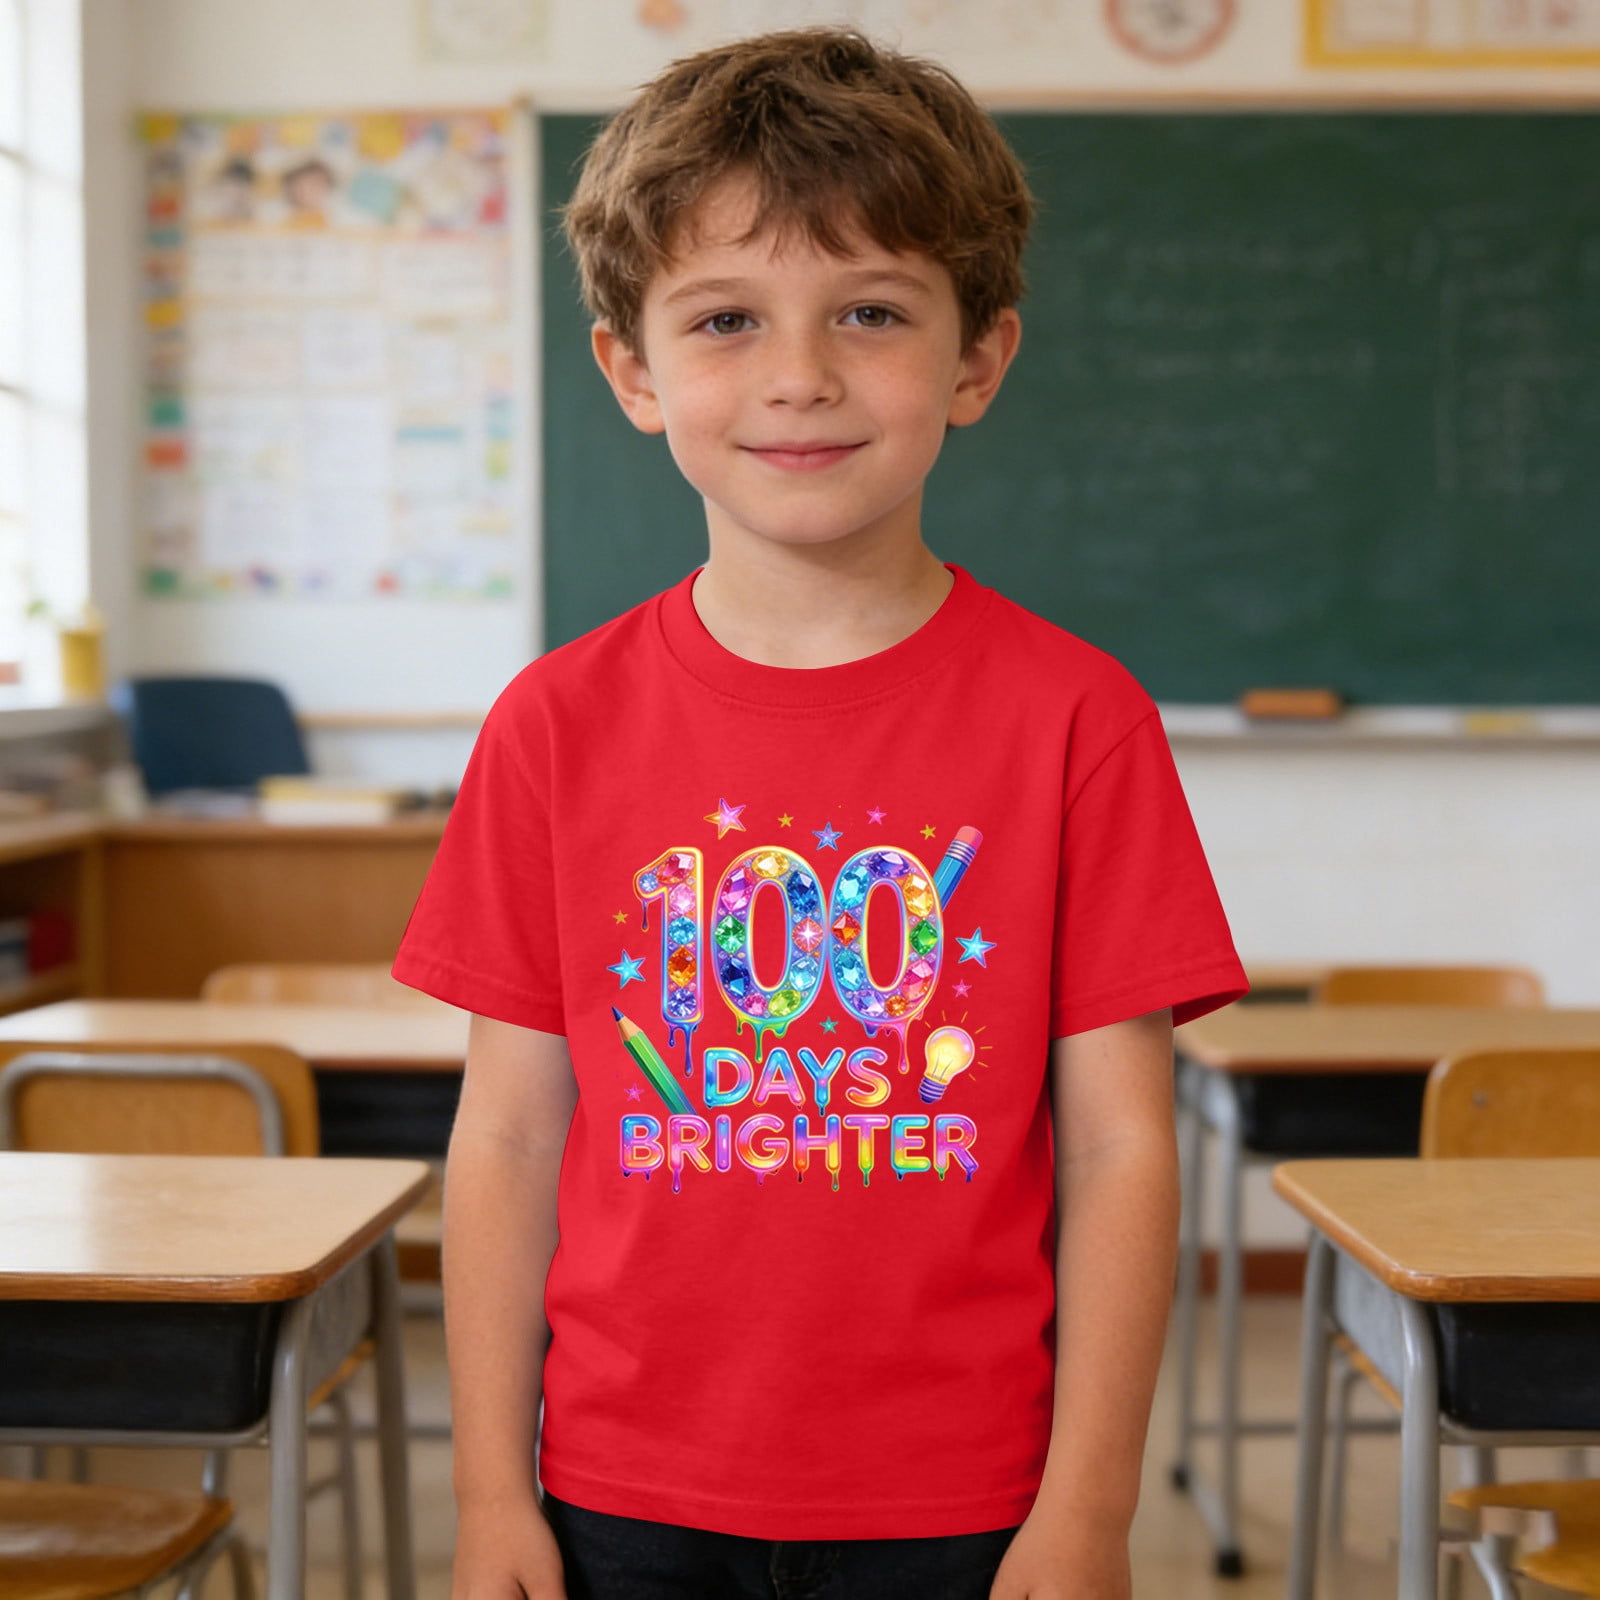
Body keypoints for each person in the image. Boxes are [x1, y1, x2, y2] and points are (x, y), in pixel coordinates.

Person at [393, 27, 1247, 1600]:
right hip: (619, 1489)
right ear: (633, 371)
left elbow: (1124, 1144)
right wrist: (488, 1495)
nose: (800, 375)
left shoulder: (1077, 720)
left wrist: (1090, 1509)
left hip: (967, 1497)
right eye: (727, 319)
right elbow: (511, 1134)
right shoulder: (554, 726)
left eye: (871, 311)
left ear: (979, 358)